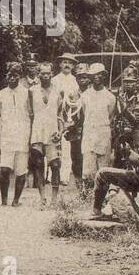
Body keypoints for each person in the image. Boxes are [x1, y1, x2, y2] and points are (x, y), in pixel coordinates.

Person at [91, 97, 139, 218]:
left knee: (102, 174)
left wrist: (129, 154)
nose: (137, 114)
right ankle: (108, 208)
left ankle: (96, 212)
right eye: (136, 111)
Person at [0, 62, 32, 206]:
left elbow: (31, 114)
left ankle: (16, 200)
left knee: (21, 170)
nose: (12, 78)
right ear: (6, 76)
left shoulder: (27, 92)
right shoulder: (0, 95)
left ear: (19, 76)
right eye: (9, 75)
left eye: (15, 75)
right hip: (6, 136)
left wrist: (30, 137)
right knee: (4, 169)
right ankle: (4, 200)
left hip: (23, 135)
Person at [28, 62, 63, 205]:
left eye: (48, 73)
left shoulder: (58, 91)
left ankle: (54, 198)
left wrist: (61, 131)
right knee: (38, 164)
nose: (45, 76)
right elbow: (30, 114)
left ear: (52, 73)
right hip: (37, 131)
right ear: (38, 74)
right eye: (42, 73)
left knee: (55, 165)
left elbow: (60, 114)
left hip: (53, 131)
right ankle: (42, 197)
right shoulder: (32, 90)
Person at [79, 62, 117, 190]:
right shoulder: (85, 96)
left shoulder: (110, 97)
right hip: (89, 130)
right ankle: (87, 192)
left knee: (103, 164)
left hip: (103, 132)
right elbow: (84, 113)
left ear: (104, 76)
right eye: (93, 75)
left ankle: (101, 194)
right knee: (88, 164)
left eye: (98, 75)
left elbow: (110, 116)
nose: (96, 77)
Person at [51, 55, 82, 187]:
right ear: (60, 65)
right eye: (64, 62)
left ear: (73, 66)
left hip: (70, 115)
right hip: (56, 115)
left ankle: (64, 177)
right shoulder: (54, 80)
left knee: (67, 146)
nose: (67, 65)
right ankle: (51, 176)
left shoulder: (75, 81)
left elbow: (77, 99)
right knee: (52, 144)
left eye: (70, 63)